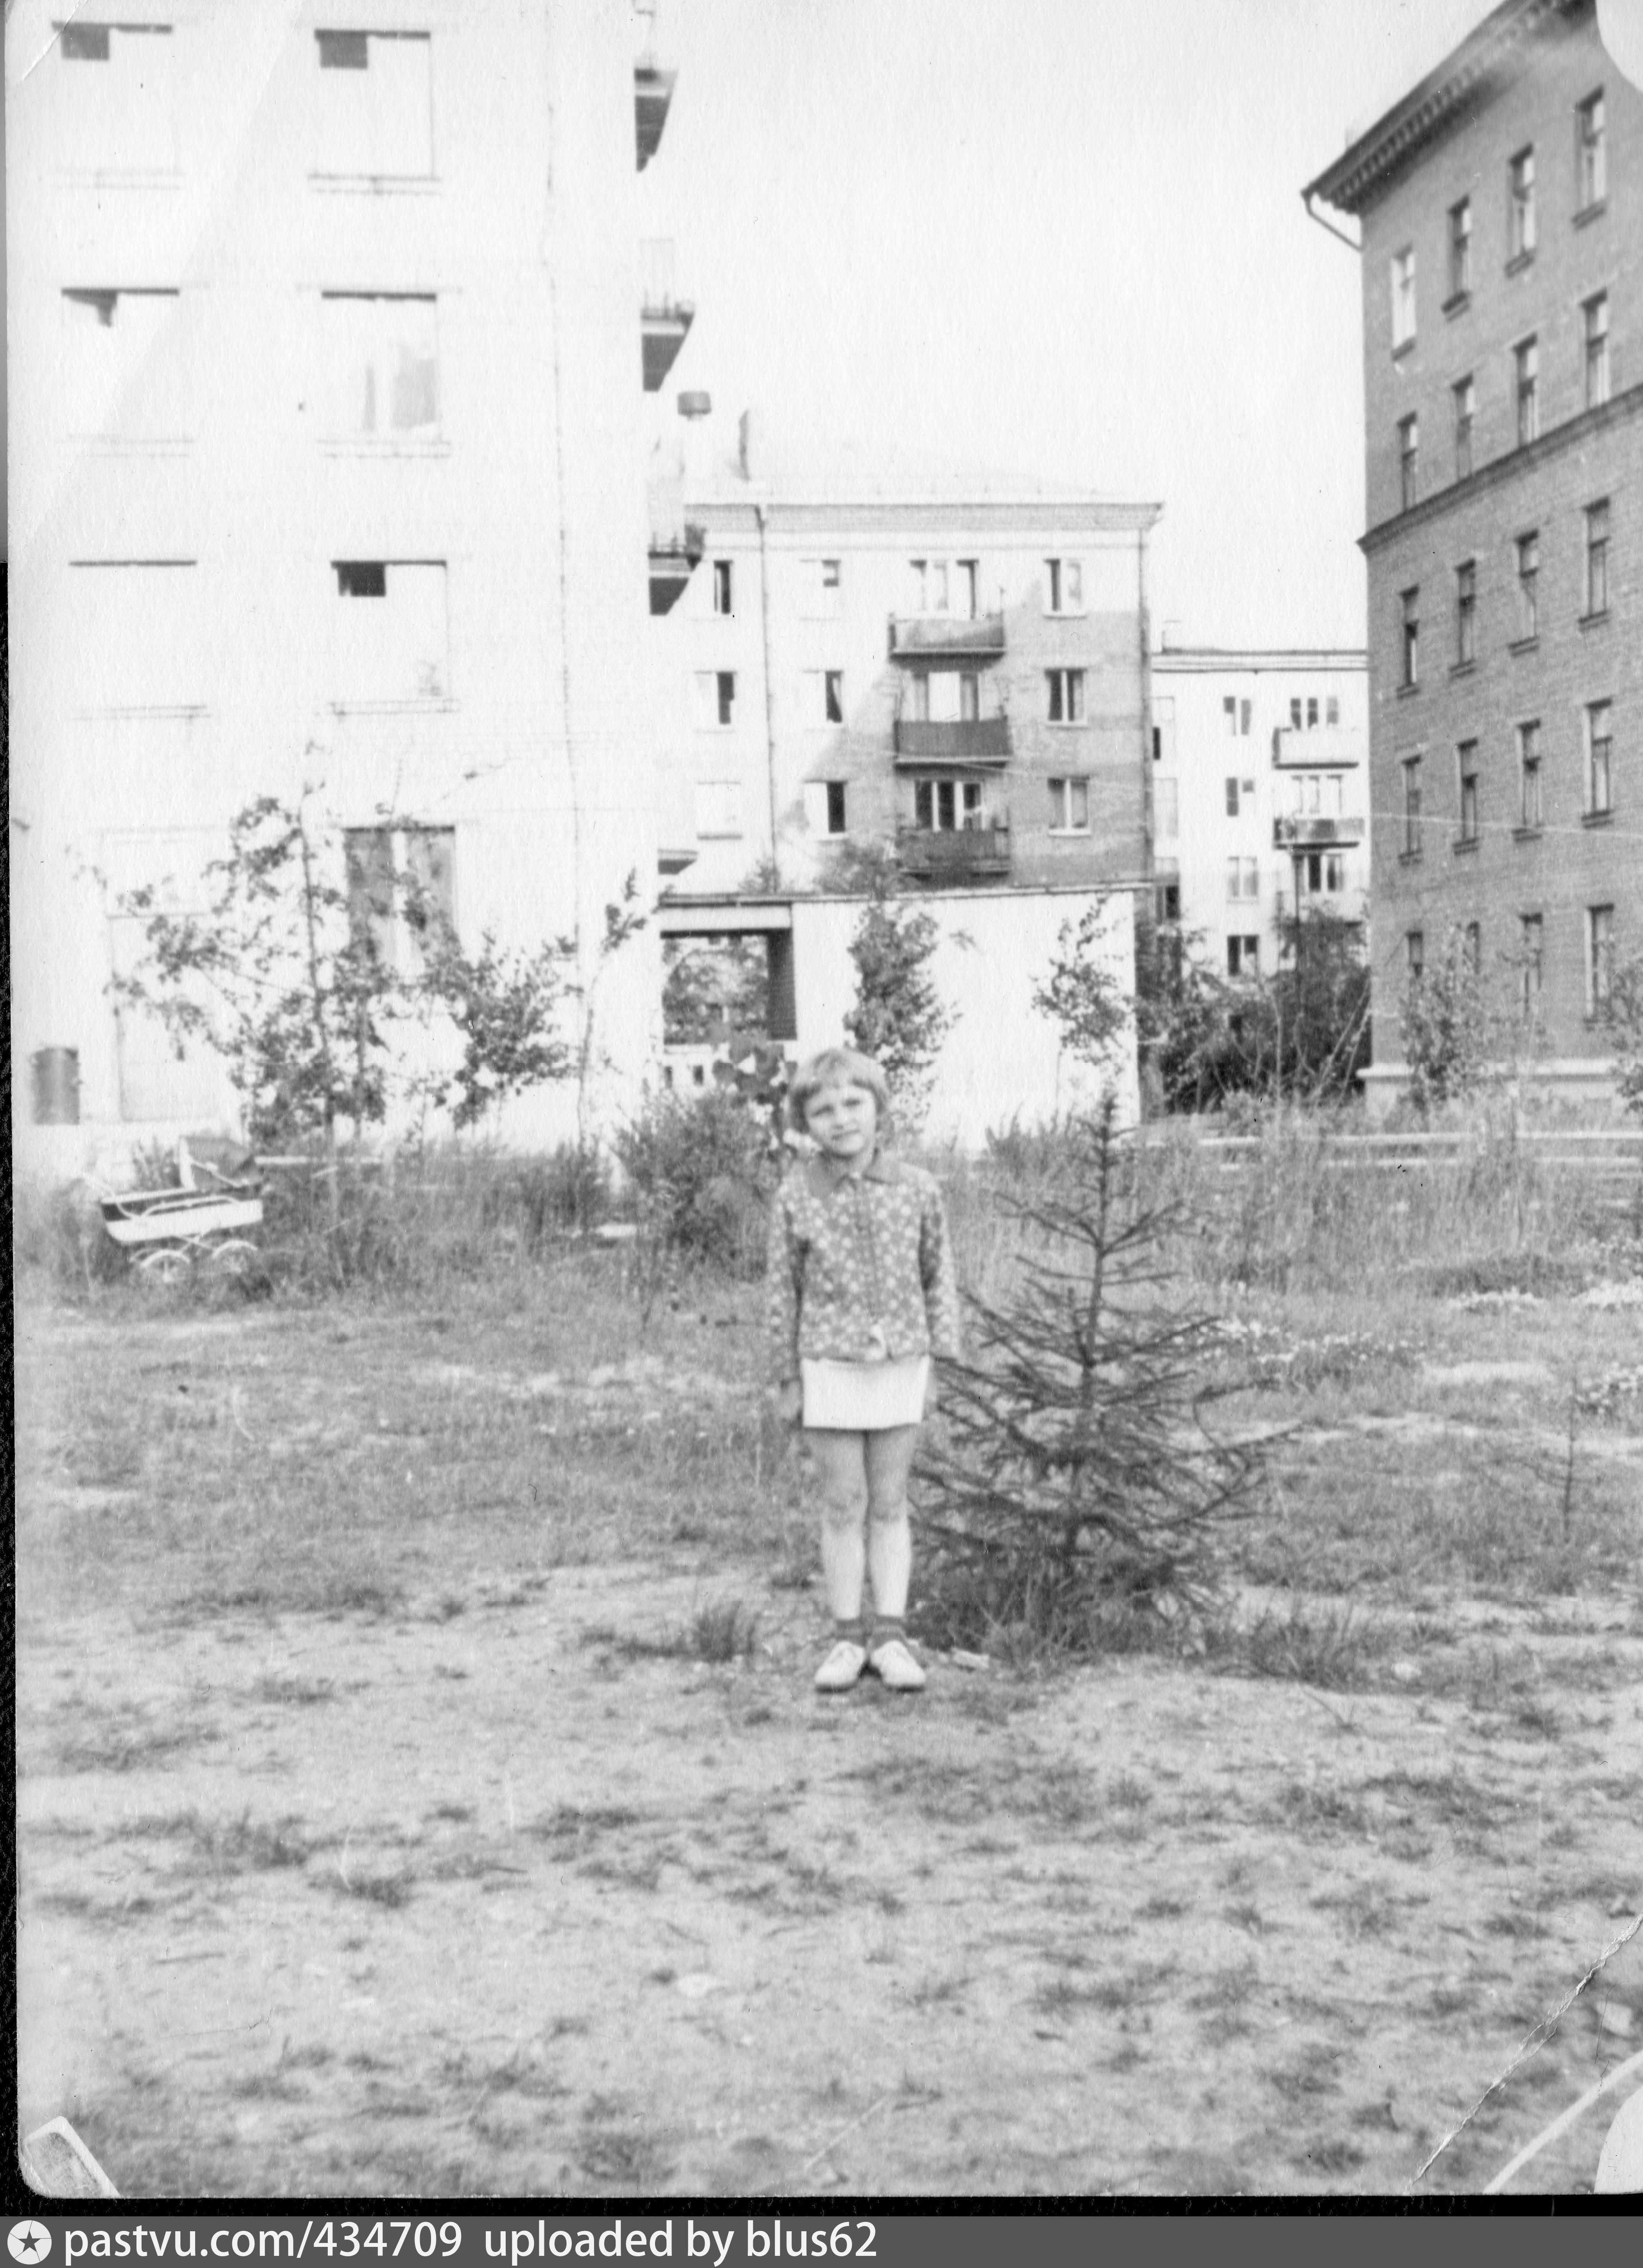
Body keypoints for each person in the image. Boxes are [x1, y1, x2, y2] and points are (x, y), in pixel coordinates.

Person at [767, 1046, 961, 1693]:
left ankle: (891, 1637)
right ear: (805, 1122)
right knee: (842, 1502)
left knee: (889, 1502)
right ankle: (847, 1638)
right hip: (828, 1366)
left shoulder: (917, 1188)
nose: (842, 1118)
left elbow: (938, 1279)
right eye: (824, 1110)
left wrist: (936, 1365)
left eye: (854, 1103)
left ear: (879, 1109)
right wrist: (788, 1378)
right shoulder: (796, 1196)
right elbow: (781, 1293)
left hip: (900, 1364)